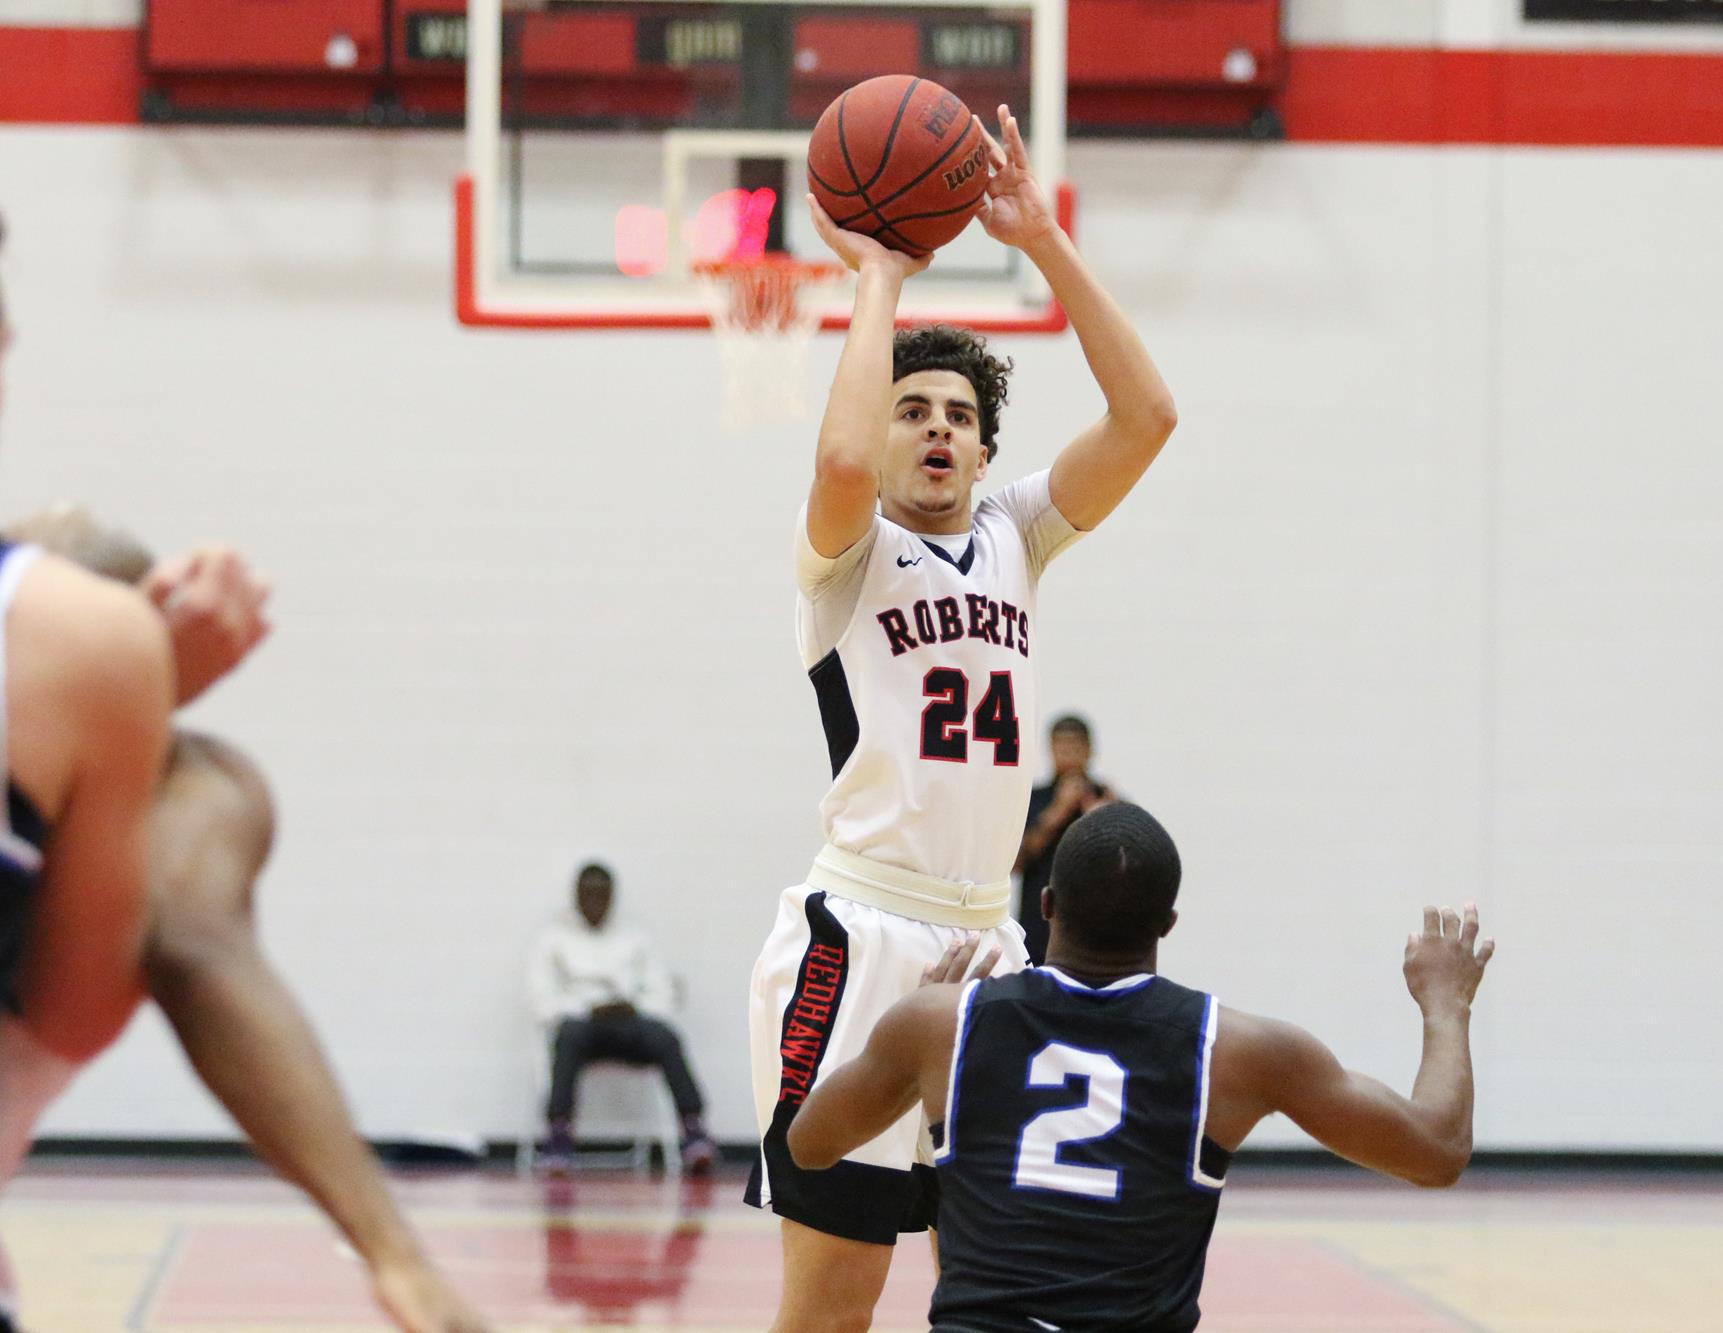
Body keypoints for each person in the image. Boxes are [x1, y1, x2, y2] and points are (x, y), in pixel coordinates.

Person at [0, 221, 486, 1333]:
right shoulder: (93, 657)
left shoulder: (86, 660)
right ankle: (401, 1265)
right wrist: (127, 706)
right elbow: (91, 1005)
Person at [746, 104, 1179, 1329]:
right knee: (832, 1306)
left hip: (994, 947)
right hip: (860, 940)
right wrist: (878, 276)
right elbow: (838, 468)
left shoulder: (1014, 536)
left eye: (958, 415)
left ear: (985, 454)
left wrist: (1040, 240)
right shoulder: (843, 556)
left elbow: (1147, 417)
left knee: (1000, 1295)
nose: (936, 426)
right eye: (910, 408)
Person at [787, 802, 1497, 1333]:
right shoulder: (1238, 1049)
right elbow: (1436, 1151)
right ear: (1168, 923)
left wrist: (910, 1043)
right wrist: (1447, 1003)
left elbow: (809, 1144)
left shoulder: (943, 1022)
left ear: (1046, 904)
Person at [529, 862, 715, 1174]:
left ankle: (693, 1130)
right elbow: (541, 1002)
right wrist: (588, 1008)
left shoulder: (635, 937)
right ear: (576, 897)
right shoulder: (552, 939)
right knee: (567, 1036)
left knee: (666, 1037)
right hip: (582, 1025)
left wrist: (632, 1006)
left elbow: (661, 993)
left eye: (601, 895)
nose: (595, 902)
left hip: (629, 1023)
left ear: (612, 897)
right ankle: (559, 1135)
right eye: (588, 895)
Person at [1012, 713, 1115, 964]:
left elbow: (1125, 865)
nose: (1068, 755)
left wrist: (1102, 822)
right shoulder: (1032, 799)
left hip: (1095, 925)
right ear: (1050, 749)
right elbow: (1014, 863)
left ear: (1089, 750)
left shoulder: (1107, 801)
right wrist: (1056, 813)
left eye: (1075, 747)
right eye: (1061, 746)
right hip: (1039, 926)